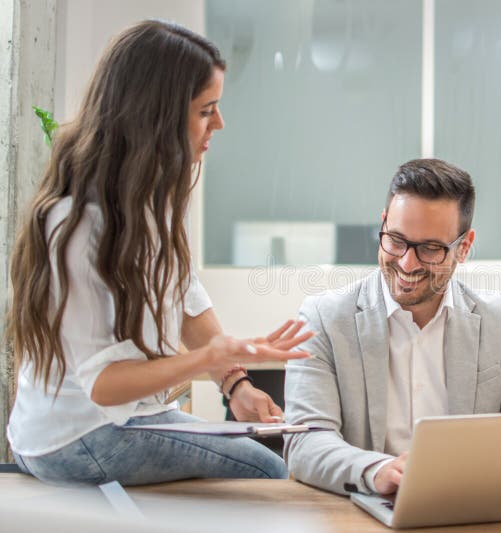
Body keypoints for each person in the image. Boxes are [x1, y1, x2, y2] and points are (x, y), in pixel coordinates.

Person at [6, 20, 313, 486]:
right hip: (76, 436)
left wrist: (236, 384)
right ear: (157, 116)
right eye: (206, 110)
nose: (219, 123)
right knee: (267, 470)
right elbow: (103, 385)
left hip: (115, 422)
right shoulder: (78, 224)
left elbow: (186, 302)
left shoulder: (149, 201)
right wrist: (207, 358)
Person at [283, 158, 501, 496]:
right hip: (362, 506)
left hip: (469, 506)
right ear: (383, 223)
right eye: (396, 240)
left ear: (464, 247)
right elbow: (305, 443)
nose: (407, 263)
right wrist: (376, 470)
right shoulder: (324, 317)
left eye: (430, 249)